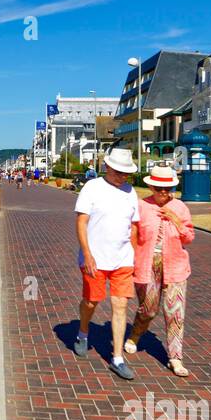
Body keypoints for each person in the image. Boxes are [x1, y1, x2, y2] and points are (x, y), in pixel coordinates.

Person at [73, 147, 141, 380]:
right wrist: (87, 253)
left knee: (120, 306)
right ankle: (83, 333)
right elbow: (82, 222)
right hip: (95, 258)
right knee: (91, 302)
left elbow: (133, 225)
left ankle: (118, 358)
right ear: (108, 167)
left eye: (126, 173)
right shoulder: (92, 188)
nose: (123, 177)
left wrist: (132, 251)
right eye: (119, 172)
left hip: (122, 259)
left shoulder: (130, 191)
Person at [126, 165, 194, 377]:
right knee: (149, 309)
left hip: (175, 266)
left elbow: (189, 238)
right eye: (158, 188)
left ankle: (175, 357)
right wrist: (131, 263)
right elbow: (133, 236)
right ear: (151, 187)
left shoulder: (180, 207)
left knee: (175, 313)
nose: (163, 192)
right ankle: (135, 335)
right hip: (147, 264)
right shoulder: (141, 206)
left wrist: (176, 220)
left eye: (167, 188)